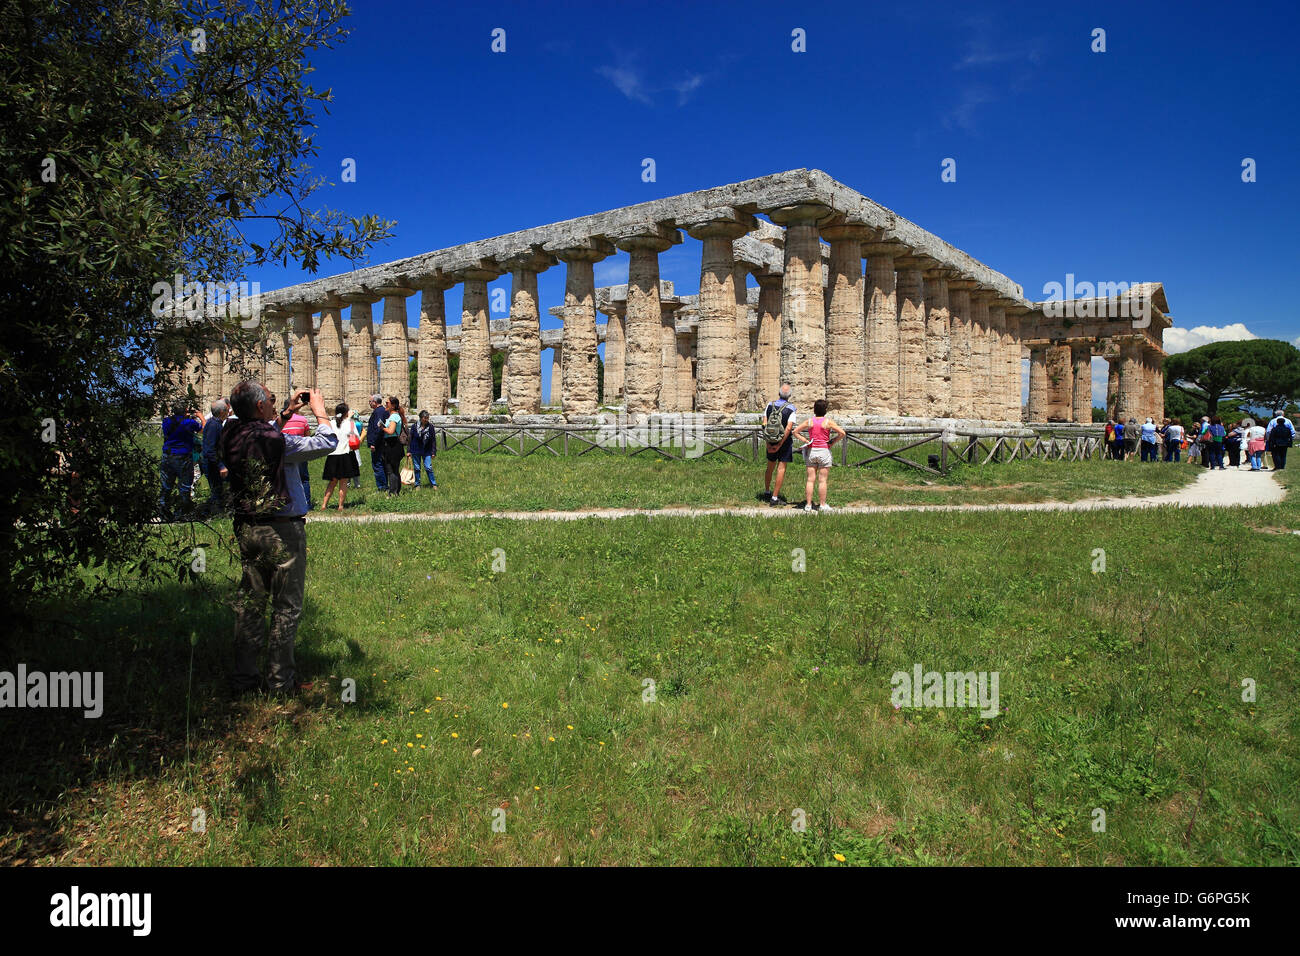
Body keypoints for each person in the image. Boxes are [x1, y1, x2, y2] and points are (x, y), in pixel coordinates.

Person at [219, 383, 337, 696]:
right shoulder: (278, 444)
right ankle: (280, 683)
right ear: (260, 407)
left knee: (251, 604)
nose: (274, 405)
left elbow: (263, 433)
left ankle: (244, 678)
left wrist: (286, 413)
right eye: (271, 401)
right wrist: (320, 413)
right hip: (282, 531)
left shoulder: (231, 434)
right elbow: (327, 443)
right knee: (286, 606)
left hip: (248, 528)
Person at [791, 399, 847, 513]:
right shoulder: (828, 422)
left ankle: (808, 505)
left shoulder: (809, 421)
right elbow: (842, 433)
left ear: (814, 409)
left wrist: (806, 440)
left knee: (810, 480)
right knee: (822, 480)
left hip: (811, 451)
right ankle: (822, 504)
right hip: (823, 451)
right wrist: (833, 441)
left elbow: (795, 431)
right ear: (825, 410)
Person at [159, 403, 202, 520]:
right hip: (183, 456)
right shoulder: (189, 422)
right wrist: (200, 416)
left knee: (166, 485)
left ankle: (163, 512)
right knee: (185, 486)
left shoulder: (167, 421)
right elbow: (202, 429)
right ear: (186, 411)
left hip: (168, 455)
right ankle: (183, 512)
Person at [760, 383, 797, 506]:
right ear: (790, 396)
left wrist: (768, 443)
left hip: (770, 439)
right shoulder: (791, 409)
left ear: (779, 394)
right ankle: (774, 498)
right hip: (784, 443)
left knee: (770, 466)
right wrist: (780, 444)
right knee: (781, 468)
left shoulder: (769, 405)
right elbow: (788, 428)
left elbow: (764, 425)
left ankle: (766, 491)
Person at [321, 403, 360, 511]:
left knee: (332, 482)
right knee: (343, 482)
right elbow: (356, 437)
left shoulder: (330, 423)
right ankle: (340, 506)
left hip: (333, 455)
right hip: (345, 454)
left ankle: (324, 504)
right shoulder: (350, 424)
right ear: (346, 412)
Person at [199, 399, 230, 514]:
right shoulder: (214, 426)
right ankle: (211, 513)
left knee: (218, 489)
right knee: (216, 490)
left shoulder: (215, 423)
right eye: (227, 410)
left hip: (212, 462)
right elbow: (210, 449)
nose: (228, 412)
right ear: (222, 412)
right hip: (211, 464)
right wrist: (221, 466)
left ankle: (212, 511)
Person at [281, 411, 313, 503]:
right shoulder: (303, 420)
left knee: (287, 479)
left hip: (287, 453)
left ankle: (289, 502)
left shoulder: (281, 421)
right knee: (304, 479)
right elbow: (308, 437)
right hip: (300, 453)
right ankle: (307, 503)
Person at [381, 395, 407, 495]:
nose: (385, 404)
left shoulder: (394, 416)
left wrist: (382, 427)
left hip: (392, 444)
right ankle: (396, 491)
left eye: (387, 403)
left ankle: (392, 492)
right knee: (394, 469)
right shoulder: (394, 416)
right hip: (392, 444)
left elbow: (391, 431)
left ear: (393, 405)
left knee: (391, 469)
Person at [408, 410, 438, 488]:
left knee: (428, 467)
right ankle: (417, 484)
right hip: (415, 449)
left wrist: (433, 451)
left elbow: (433, 440)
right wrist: (409, 451)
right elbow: (410, 439)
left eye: (427, 418)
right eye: (425, 418)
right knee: (417, 468)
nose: (426, 419)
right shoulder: (414, 426)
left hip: (426, 450)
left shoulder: (430, 427)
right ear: (421, 418)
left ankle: (433, 484)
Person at [365, 394, 388, 491]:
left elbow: (377, 428)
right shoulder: (383, 411)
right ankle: (385, 485)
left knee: (377, 465)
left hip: (378, 443)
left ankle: (382, 487)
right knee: (383, 464)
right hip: (382, 442)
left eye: (370, 401)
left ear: (374, 402)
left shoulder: (378, 412)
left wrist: (373, 443)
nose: (369, 403)